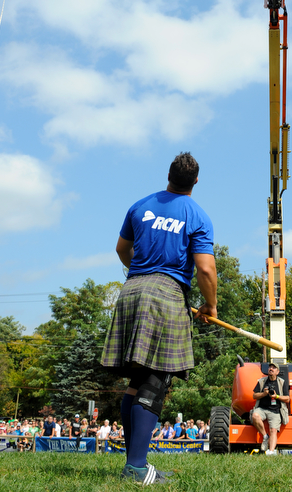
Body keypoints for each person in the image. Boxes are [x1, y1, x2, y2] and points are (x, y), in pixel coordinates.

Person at [101, 152, 218, 486]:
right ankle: (137, 467)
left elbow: (122, 249)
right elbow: (206, 268)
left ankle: (134, 464)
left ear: (168, 175)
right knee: (156, 382)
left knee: (136, 382)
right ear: (196, 181)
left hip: (132, 289)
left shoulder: (140, 206)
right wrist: (211, 305)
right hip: (165, 295)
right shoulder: (197, 214)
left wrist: (141, 271)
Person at [250, 362, 290, 455]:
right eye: (270, 367)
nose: (271, 369)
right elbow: (254, 395)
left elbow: (287, 398)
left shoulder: (282, 382)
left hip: (276, 410)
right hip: (262, 409)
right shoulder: (262, 381)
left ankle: (271, 452)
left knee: (273, 430)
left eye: (273, 368)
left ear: (277, 372)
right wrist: (264, 394)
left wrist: (276, 396)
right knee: (255, 415)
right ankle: (265, 436)